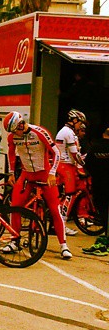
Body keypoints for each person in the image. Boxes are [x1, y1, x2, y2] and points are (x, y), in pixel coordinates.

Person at [2, 111, 71, 260]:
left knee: (55, 209)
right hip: (27, 174)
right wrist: (12, 173)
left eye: (16, 130)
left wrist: (52, 173)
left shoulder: (39, 132)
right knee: (15, 206)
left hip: (44, 173)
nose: (15, 134)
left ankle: (63, 244)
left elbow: (56, 153)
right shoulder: (12, 137)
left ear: (21, 123)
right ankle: (14, 240)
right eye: (13, 132)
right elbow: (11, 153)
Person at [56, 109, 87, 236]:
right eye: (80, 122)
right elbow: (75, 154)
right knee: (70, 195)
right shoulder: (68, 133)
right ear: (74, 121)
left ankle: (58, 222)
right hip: (66, 166)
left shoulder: (66, 131)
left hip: (63, 165)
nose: (81, 125)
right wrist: (85, 164)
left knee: (64, 196)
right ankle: (62, 224)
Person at [81, 126, 109, 256]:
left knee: (103, 211)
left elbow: (86, 164)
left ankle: (105, 239)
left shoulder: (95, 148)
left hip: (99, 185)